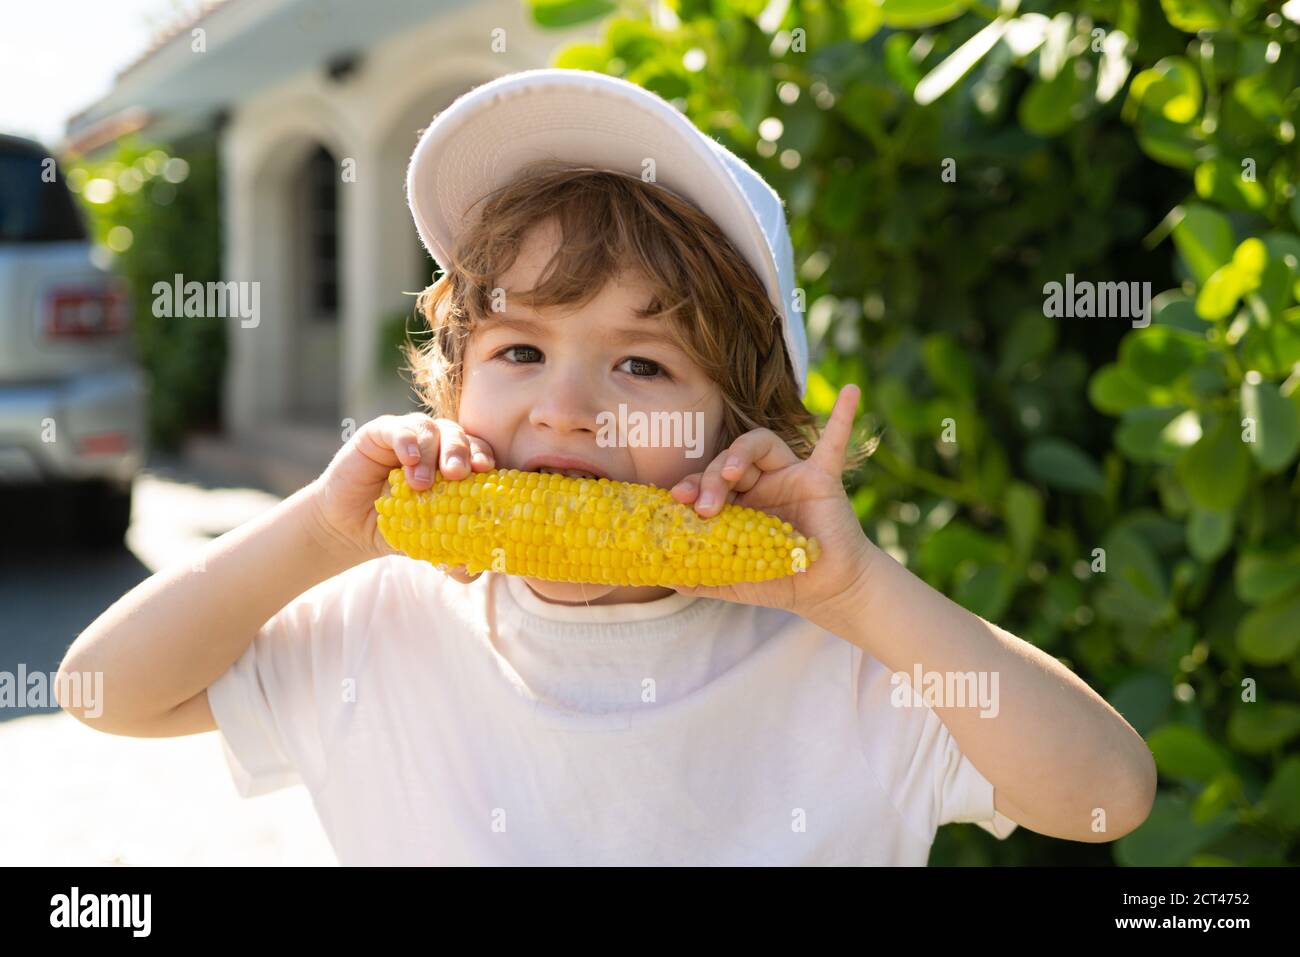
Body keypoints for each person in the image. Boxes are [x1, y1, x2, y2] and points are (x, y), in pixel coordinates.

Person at [60, 69, 1155, 865]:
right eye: (520, 350)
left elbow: (1106, 799)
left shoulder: (850, 658)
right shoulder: (373, 622)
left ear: (743, 432)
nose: (568, 409)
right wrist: (315, 534)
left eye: (642, 362)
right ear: (451, 390)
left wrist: (866, 594)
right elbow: (102, 692)